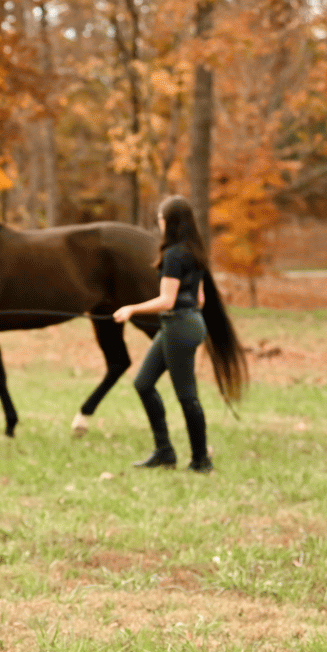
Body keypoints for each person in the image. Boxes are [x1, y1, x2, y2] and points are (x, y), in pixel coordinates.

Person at [113, 195, 247, 473]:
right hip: (186, 323)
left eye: (161, 219)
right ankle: (164, 452)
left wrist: (131, 309)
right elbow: (199, 297)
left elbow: (167, 300)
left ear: (170, 222)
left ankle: (201, 460)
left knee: (187, 395)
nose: (159, 224)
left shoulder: (174, 254)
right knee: (143, 383)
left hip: (179, 326)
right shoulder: (194, 251)